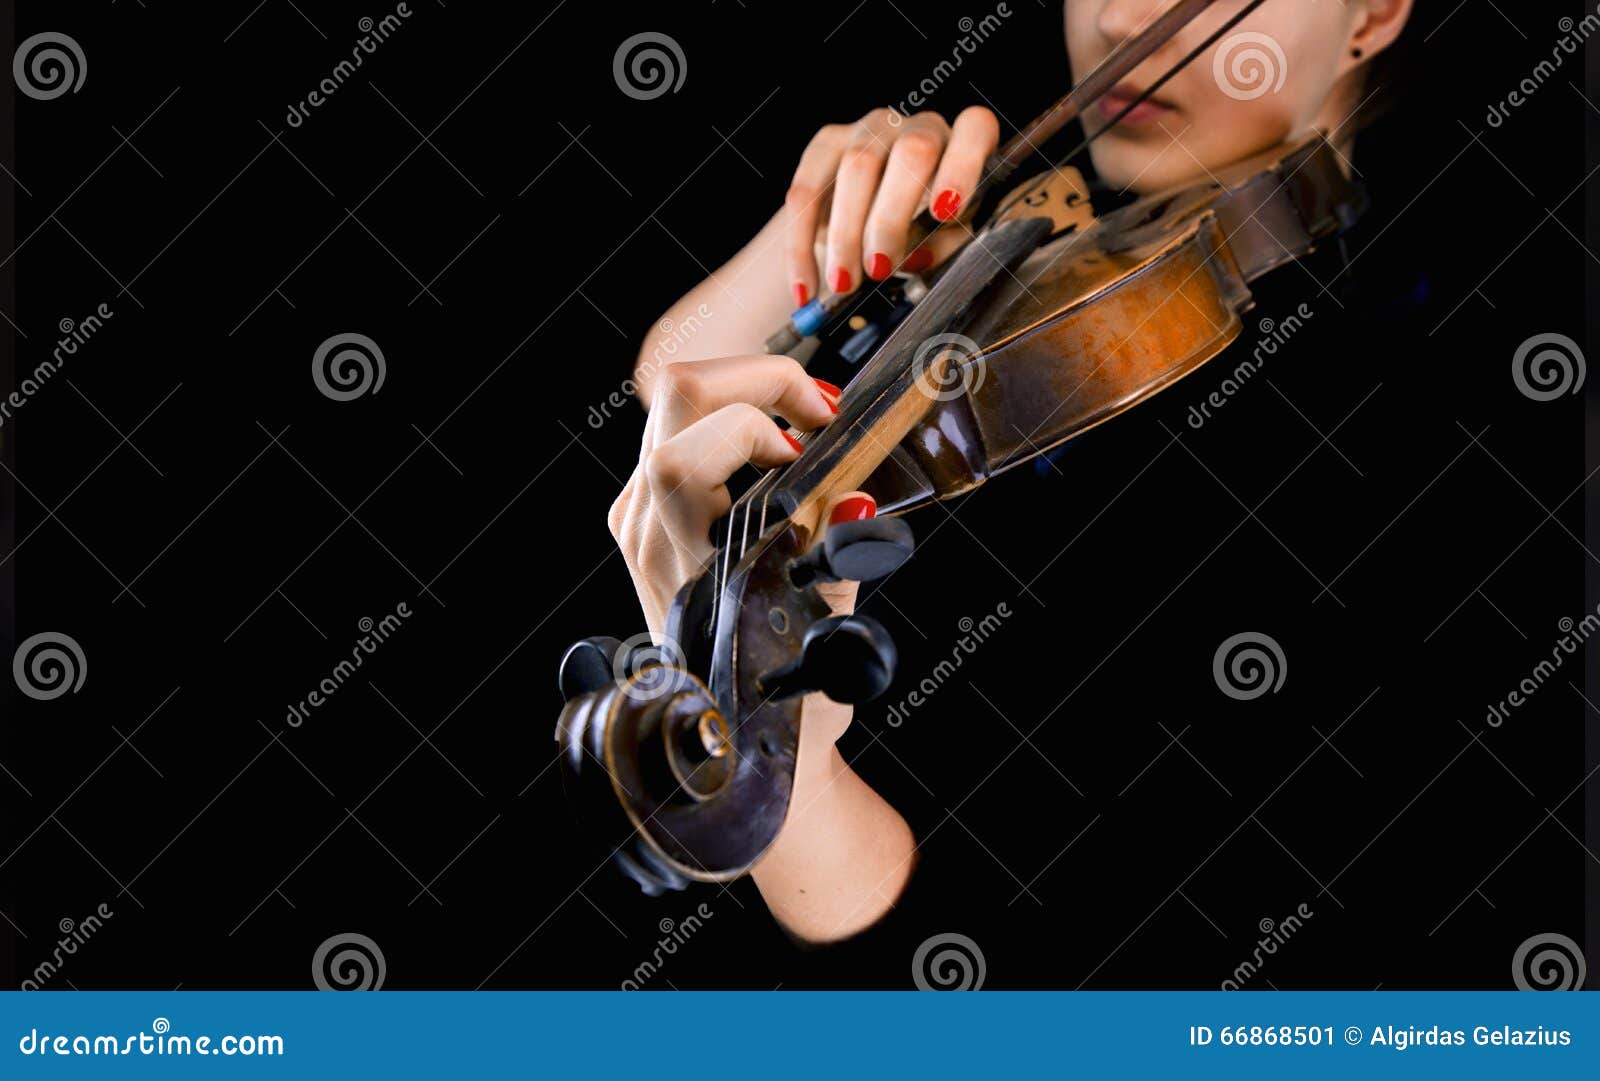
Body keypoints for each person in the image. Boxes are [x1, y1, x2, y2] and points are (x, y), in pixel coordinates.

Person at [607, 0, 1415, 945]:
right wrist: (812, 247)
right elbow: (665, 393)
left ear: (1373, 14)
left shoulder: (1371, 435)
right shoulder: (1032, 203)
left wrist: (799, 774)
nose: (1120, 19)